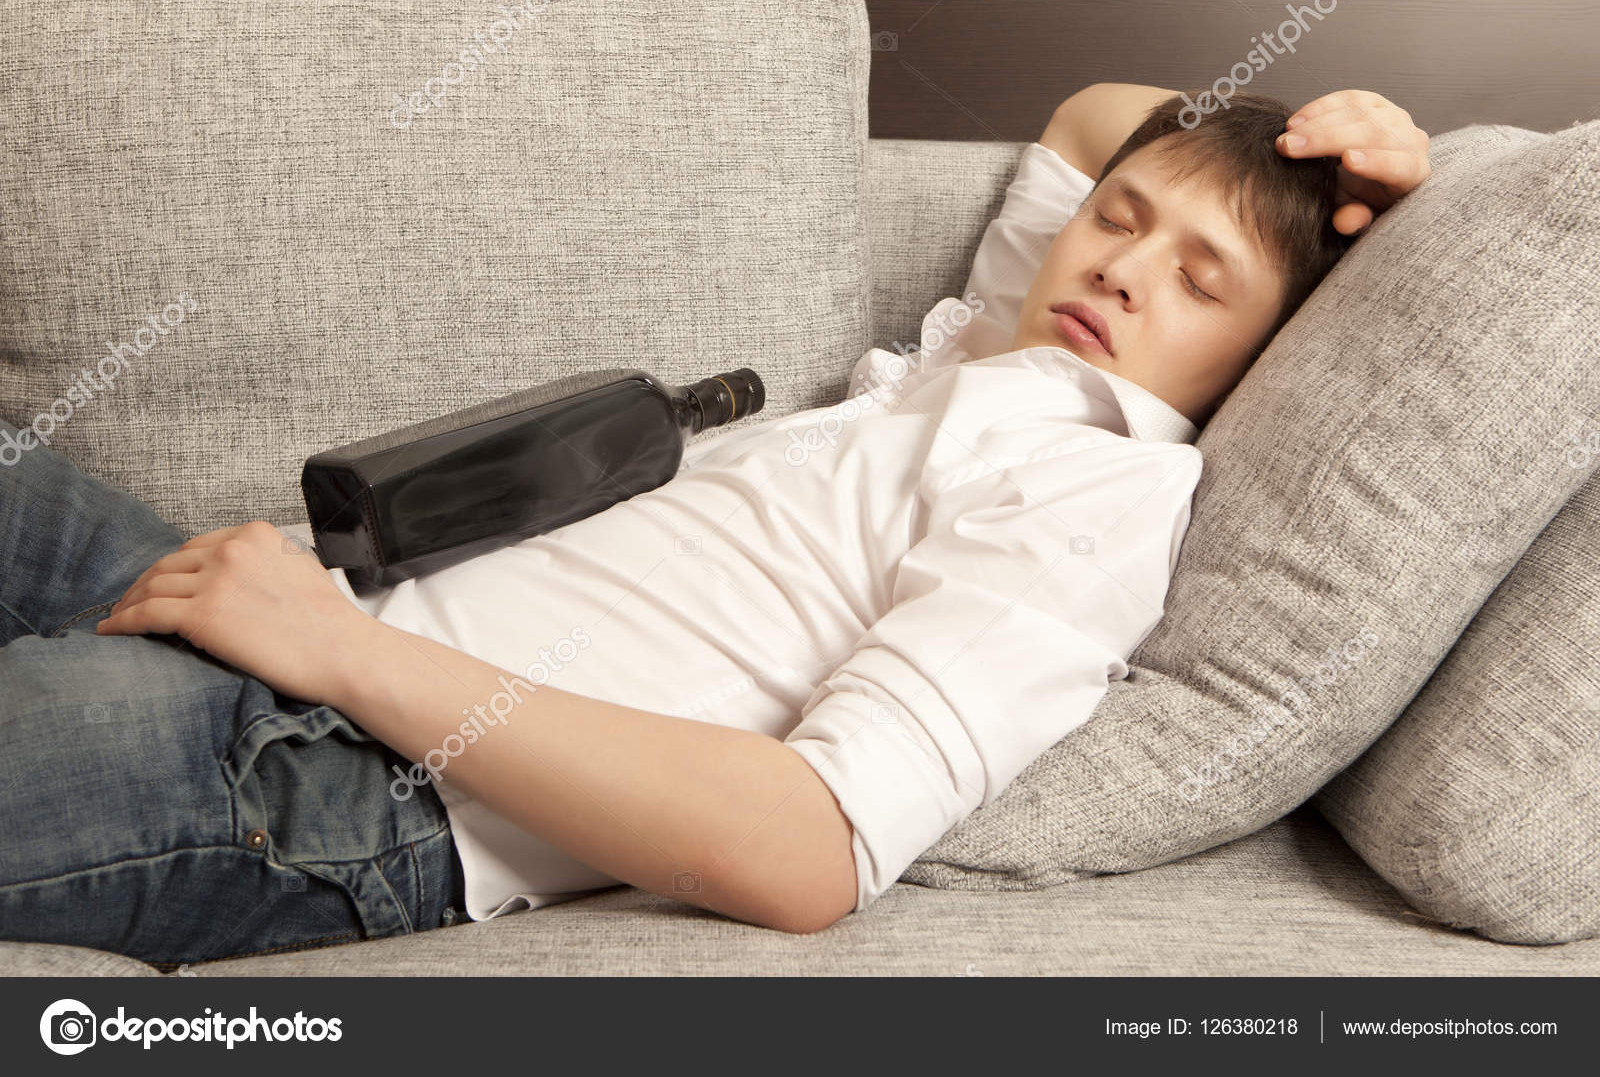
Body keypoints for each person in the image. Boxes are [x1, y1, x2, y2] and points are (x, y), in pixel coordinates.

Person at [0, 86, 1430, 968]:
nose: (1123, 272)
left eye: (1202, 281)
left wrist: (335, 657)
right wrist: (1329, 137)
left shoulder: (1095, 494)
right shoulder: (997, 356)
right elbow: (1091, 117)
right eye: (1120, 222)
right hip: (291, 623)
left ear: (1262, 363)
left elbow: (810, 852)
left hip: (342, 775)